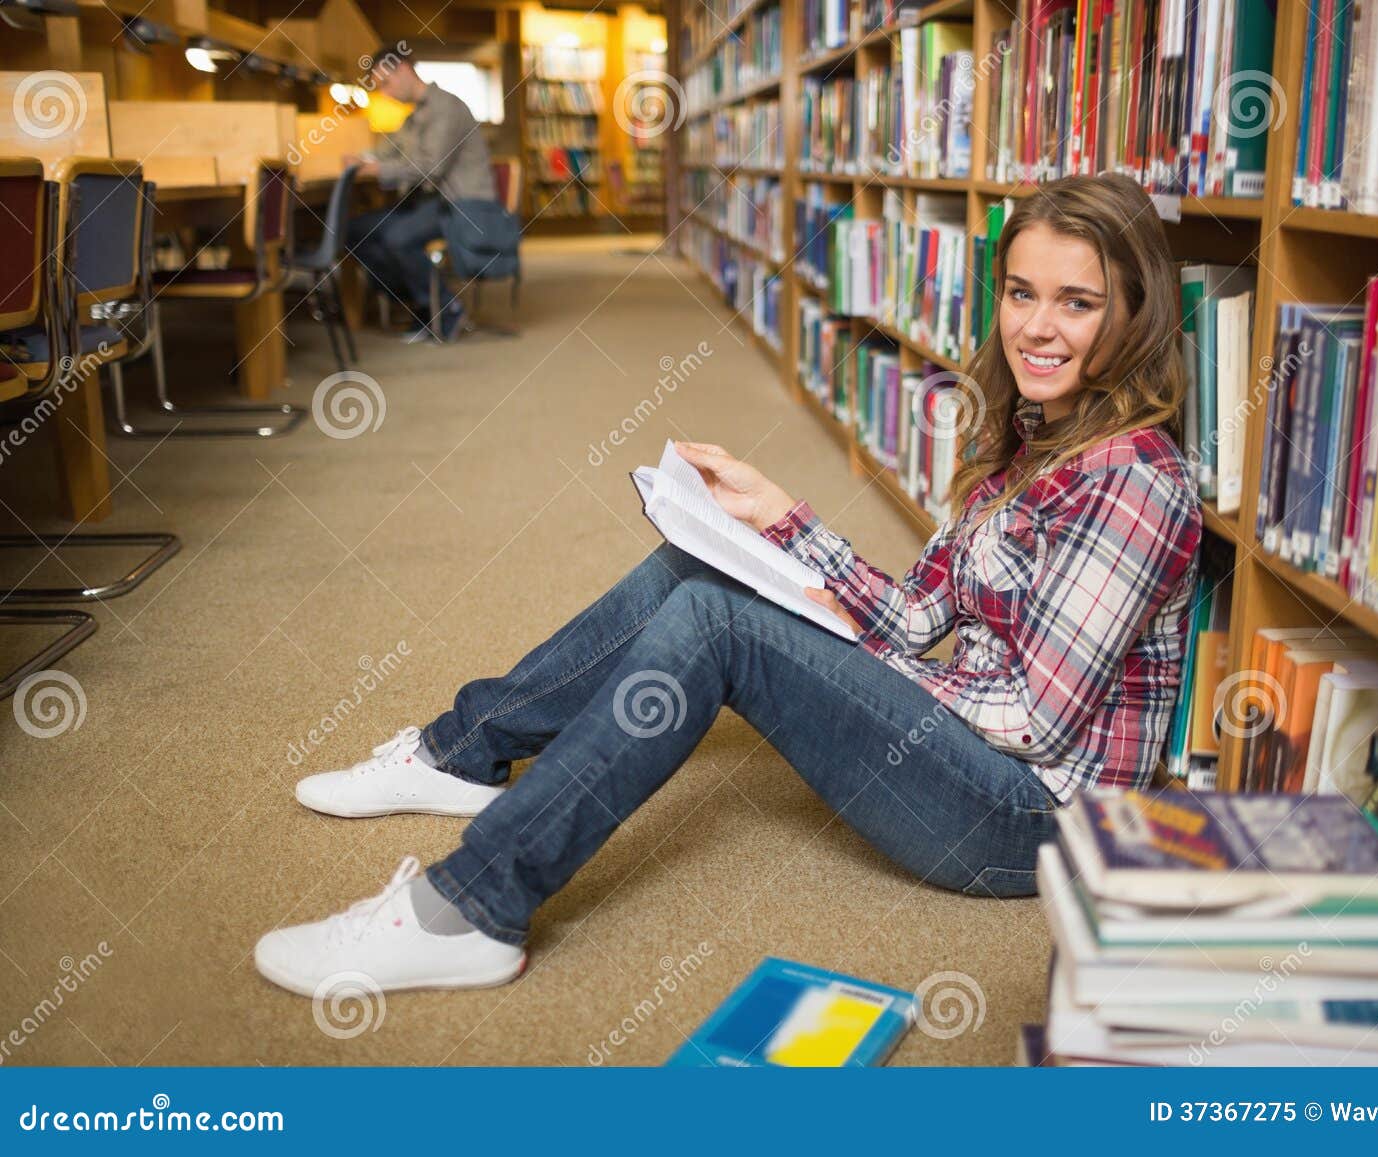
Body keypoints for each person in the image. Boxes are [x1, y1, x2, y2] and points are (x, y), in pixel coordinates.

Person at [253, 174, 1203, 1000]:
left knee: (720, 621)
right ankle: (459, 751)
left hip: (1020, 816)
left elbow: (1031, 719)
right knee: (700, 561)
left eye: (1077, 303)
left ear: (1134, 313)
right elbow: (917, 617)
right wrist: (780, 521)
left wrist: (817, 632)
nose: (1037, 326)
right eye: (1022, 293)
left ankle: (472, 909)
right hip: (970, 746)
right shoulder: (1034, 441)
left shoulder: (1133, 480)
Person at [346, 45, 497, 343]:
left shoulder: (445, 108)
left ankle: (446, 307)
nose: (385, 94)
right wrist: (362, 159)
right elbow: (386, 151)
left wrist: (375, 170)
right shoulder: (414, 117)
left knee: (397, 238)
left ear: (403, 69)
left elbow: (432, 168)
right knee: (355, 231)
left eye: (385, 84)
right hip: (429, 203)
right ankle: (419, 300)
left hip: (462, 204)